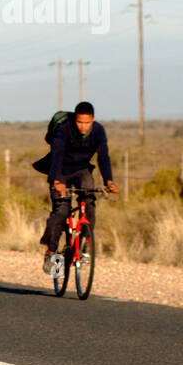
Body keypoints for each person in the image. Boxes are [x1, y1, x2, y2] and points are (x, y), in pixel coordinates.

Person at [32, 101, 119, 274]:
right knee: (61, 211)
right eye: (80, 122)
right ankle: (51, 252)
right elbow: (56, 155)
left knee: (89, 204)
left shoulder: (99, 131)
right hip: (60, 172)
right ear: (75, 119)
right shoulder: (64, 129)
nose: (83, 127)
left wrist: (109, 181)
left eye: (87, 123)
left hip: (82, 171)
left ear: (93, 120)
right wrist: (56, 180)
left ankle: (85, 245)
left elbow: (103, 157)